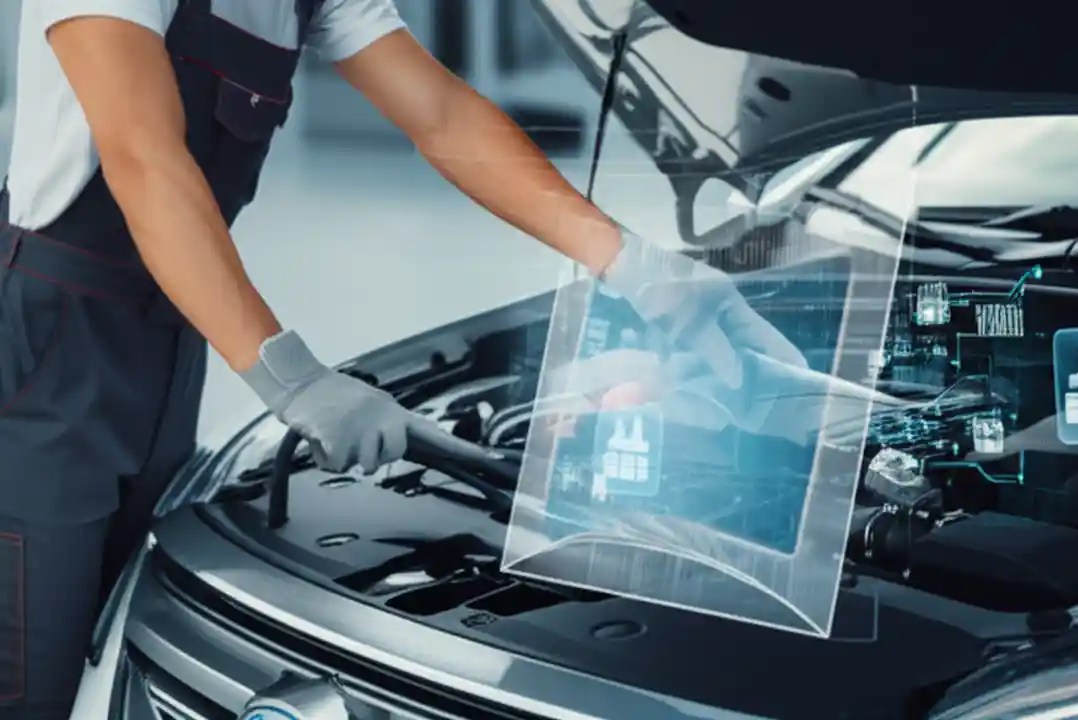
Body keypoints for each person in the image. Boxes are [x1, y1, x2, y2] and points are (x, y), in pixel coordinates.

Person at [0, 0, 803, 716]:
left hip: (171, 331)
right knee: (29, 670)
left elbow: (443, 117)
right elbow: (143, 158)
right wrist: (297, 379)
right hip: (51, 343)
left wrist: (637, 266)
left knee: (115, 637)